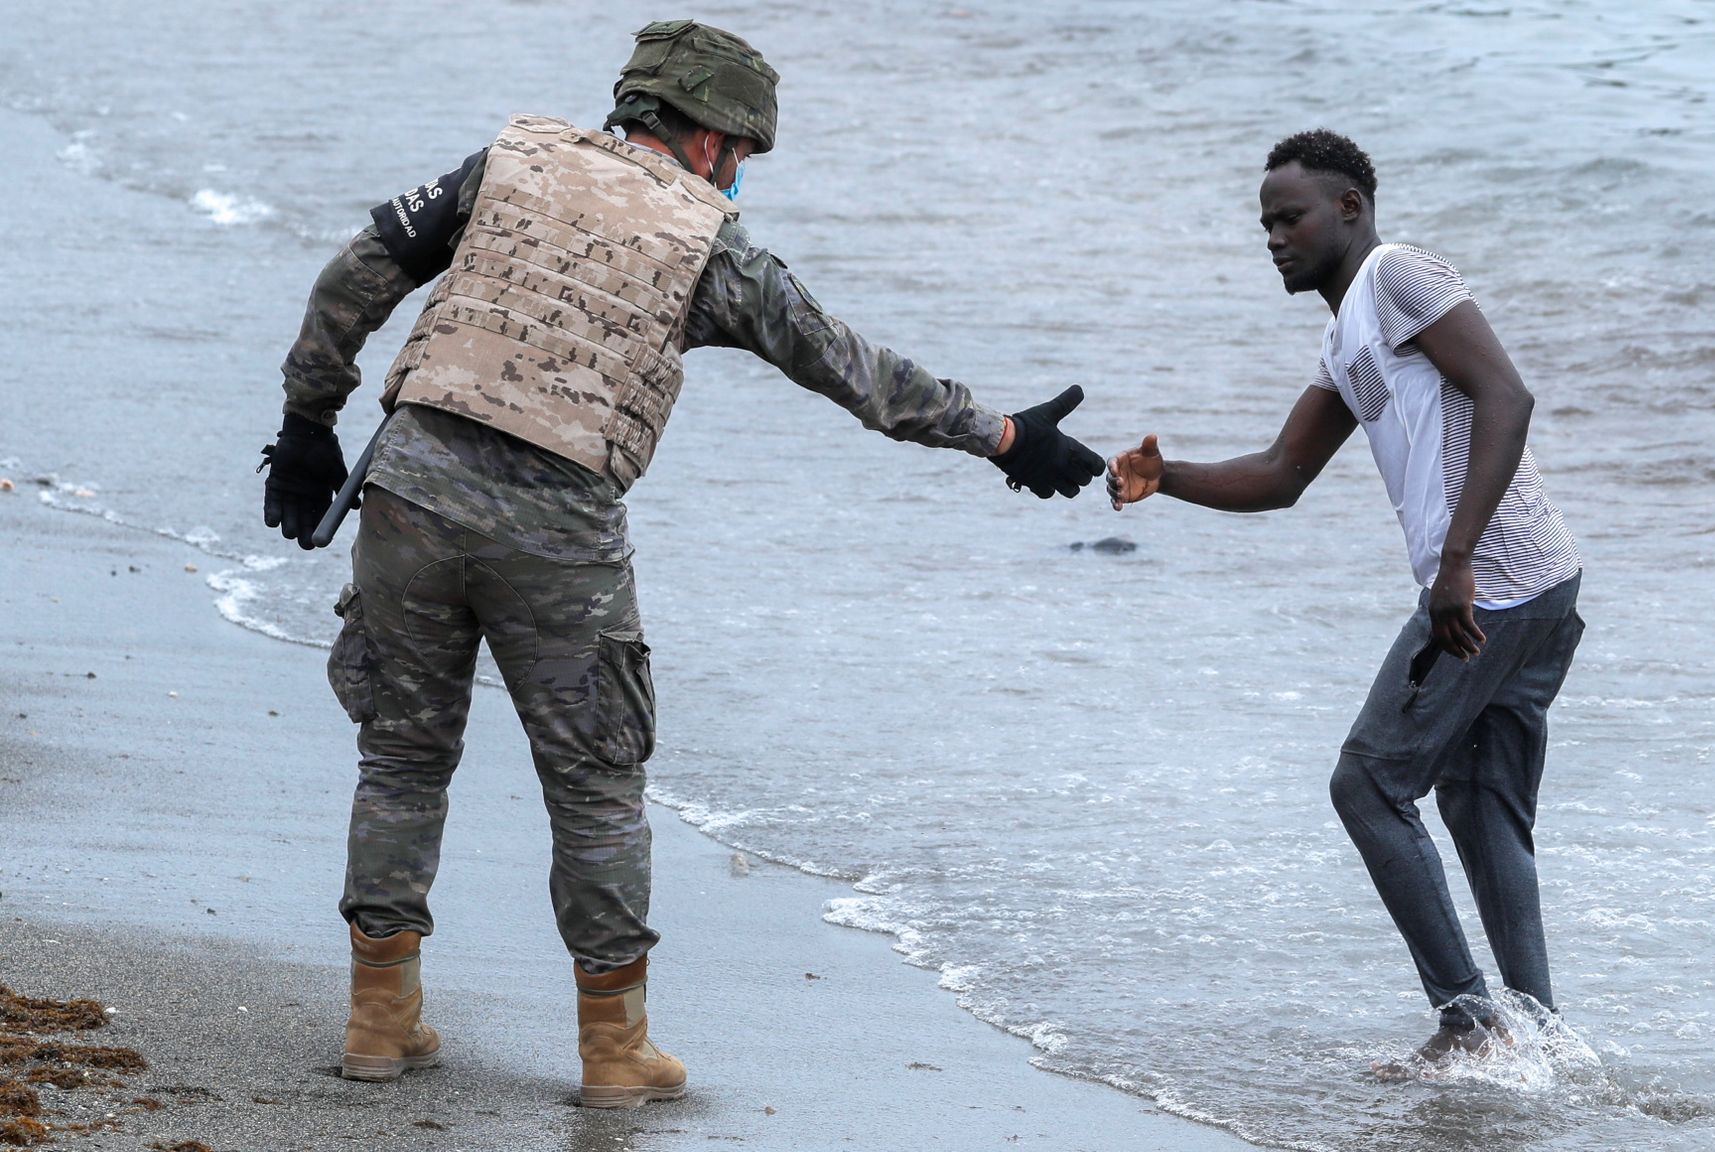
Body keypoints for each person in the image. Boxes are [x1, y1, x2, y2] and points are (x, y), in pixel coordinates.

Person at [258, 20, 1104, 1108]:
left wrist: (307, 424)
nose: (740, 173)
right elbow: (850, 369)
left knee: (404, 757)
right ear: (709, 141)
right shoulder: (711, 243)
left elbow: (354, 275)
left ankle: (378, 1018)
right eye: (743, 153)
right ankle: (613, 1052)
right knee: (597, 785)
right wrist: (1002, 437)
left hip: (410, 496)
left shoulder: (503, 166)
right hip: (558, 533)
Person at [1106, 129, 1583, 1069]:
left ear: (1350, 209)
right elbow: (1283, 474)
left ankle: (1469, 1023)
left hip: (1495, 581)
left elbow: (1506, 396)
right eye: (1264, 224)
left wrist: (1456, 561)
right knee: (1480, 805)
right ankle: (1543, 1040)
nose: (1275, 237)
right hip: (1540, 582)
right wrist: (1171, 478)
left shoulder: (1399, 274)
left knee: (1367, 782)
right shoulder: (1346, 334)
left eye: (1291, 217)